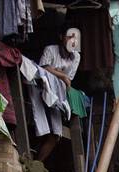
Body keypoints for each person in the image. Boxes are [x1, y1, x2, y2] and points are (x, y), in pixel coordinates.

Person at [27, 27, 81, 163]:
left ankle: (38, 163)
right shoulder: (50, 50)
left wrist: (55, 71)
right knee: (39, 125)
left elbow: (69, 81)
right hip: (42, 91)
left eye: (75, 38)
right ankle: (30, 157)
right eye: (69, 37)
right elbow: (42, 69)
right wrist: (61, 75)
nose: (72, 41)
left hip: (59, 96)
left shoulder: (76, 57)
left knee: (56, 133)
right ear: (61, 36)